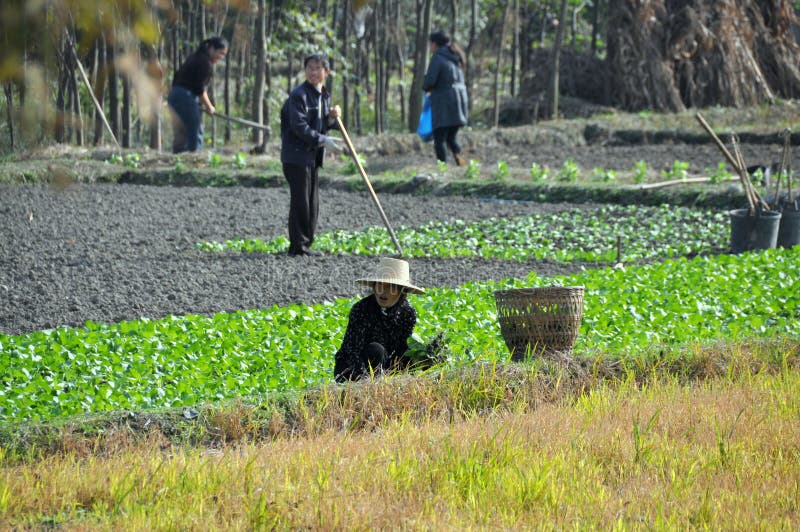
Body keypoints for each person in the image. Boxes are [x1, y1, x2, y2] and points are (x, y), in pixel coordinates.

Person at [280, 54, 343, 257]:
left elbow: (322, 123)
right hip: (296, 156)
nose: (313, 72)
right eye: (309, 68)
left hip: (312, 157)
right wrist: (323, 140)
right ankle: (298, 246)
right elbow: (299, 127)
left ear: (327, 72)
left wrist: (333, 118)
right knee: (301, 202)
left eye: (318, 68)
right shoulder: (299, 95)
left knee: (312, 202)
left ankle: (306, 243)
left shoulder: (323, 95)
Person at [334, 257, 425, 382]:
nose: (383, 291)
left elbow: (402, 350)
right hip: (351, 368)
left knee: (410, 353)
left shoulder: (407, 313)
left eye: (391, 287)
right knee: (376, 349)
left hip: (383, 365)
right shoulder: (361, 309)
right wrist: (366, 381)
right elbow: (352, 351)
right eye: (380, 285)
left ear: (401, 291)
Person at [167, 36, 228, 153]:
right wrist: (209, 106)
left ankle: (179, 158)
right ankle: (193, 157)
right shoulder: (204, 62)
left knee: (182, 131)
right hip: (183, 96)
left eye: (224, 55)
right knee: (195, 128)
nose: (221, 57)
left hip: (175, 95)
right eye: (221, 53)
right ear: (212, 48)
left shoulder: (197, 57)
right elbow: (199, 89)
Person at [422, 30, 469, 166]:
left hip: (444, 103)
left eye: (430, 44)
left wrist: (424, 86)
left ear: (435, 44)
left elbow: (430, 81)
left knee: (439, 138)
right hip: (460, 102)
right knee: (451, 137)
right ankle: (462, 163)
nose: (429, 47)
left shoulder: (438, 57)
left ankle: (442, 169)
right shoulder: (455, 57)